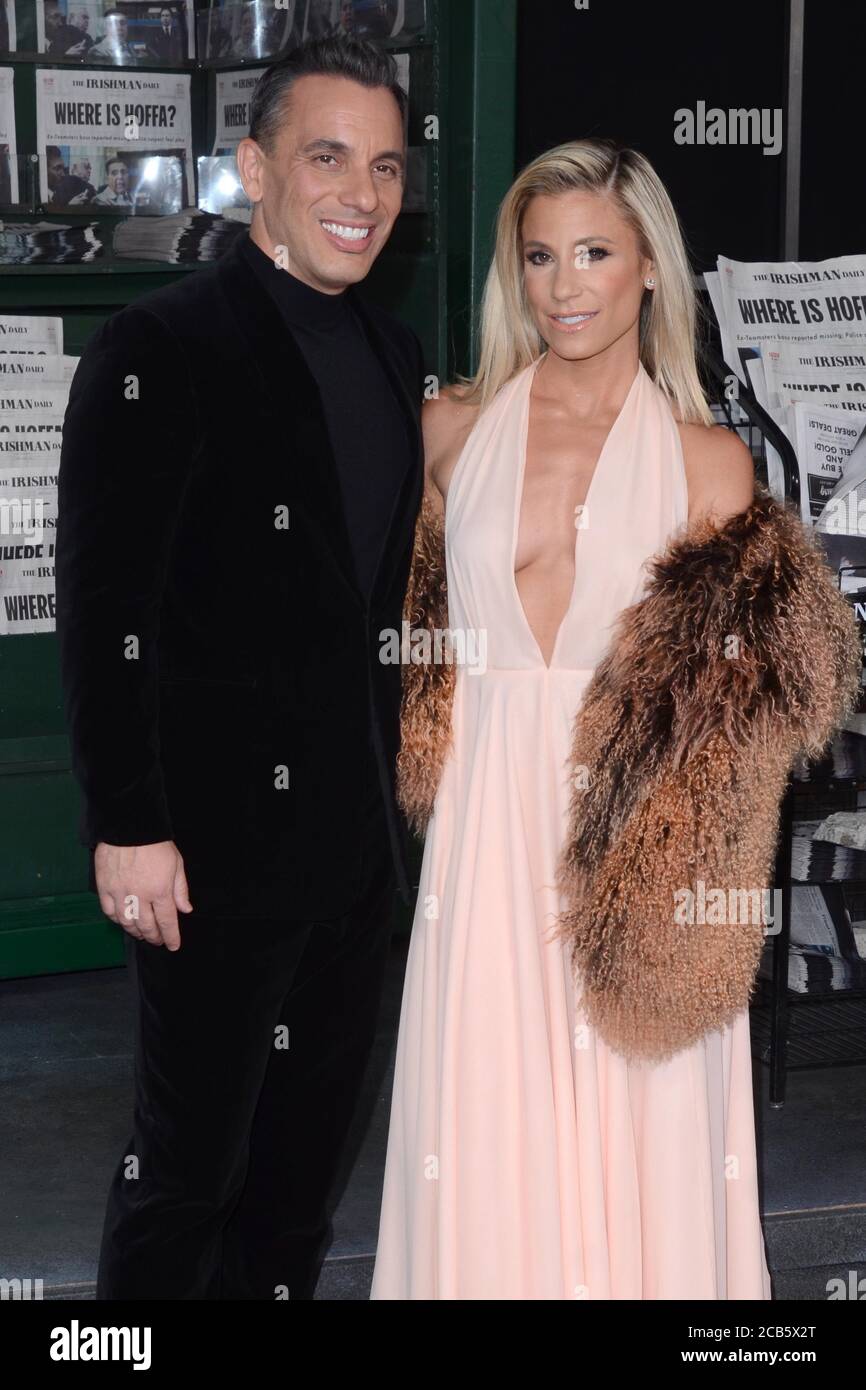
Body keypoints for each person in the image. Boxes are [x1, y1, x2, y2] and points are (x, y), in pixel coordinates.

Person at [369, 137, 861, 1299]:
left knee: (641, 1103)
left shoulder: (707, 466)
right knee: (481, 1109)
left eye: (592, 252)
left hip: (638, 852)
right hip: (485, 834)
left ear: (648, 266)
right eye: (538, 257)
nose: (563, 282)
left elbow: (737, 738)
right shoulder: (450, 432)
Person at [55, 34, 424, 1300]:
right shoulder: (163, 344)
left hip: (347, 856)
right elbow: (105, 609)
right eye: (327, 156)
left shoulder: (386, 352)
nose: (361, 193)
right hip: (204, 854)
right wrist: (129, 825)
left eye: (383, 165)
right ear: (251, 167)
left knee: (295, 1192)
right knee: (185, 1176)